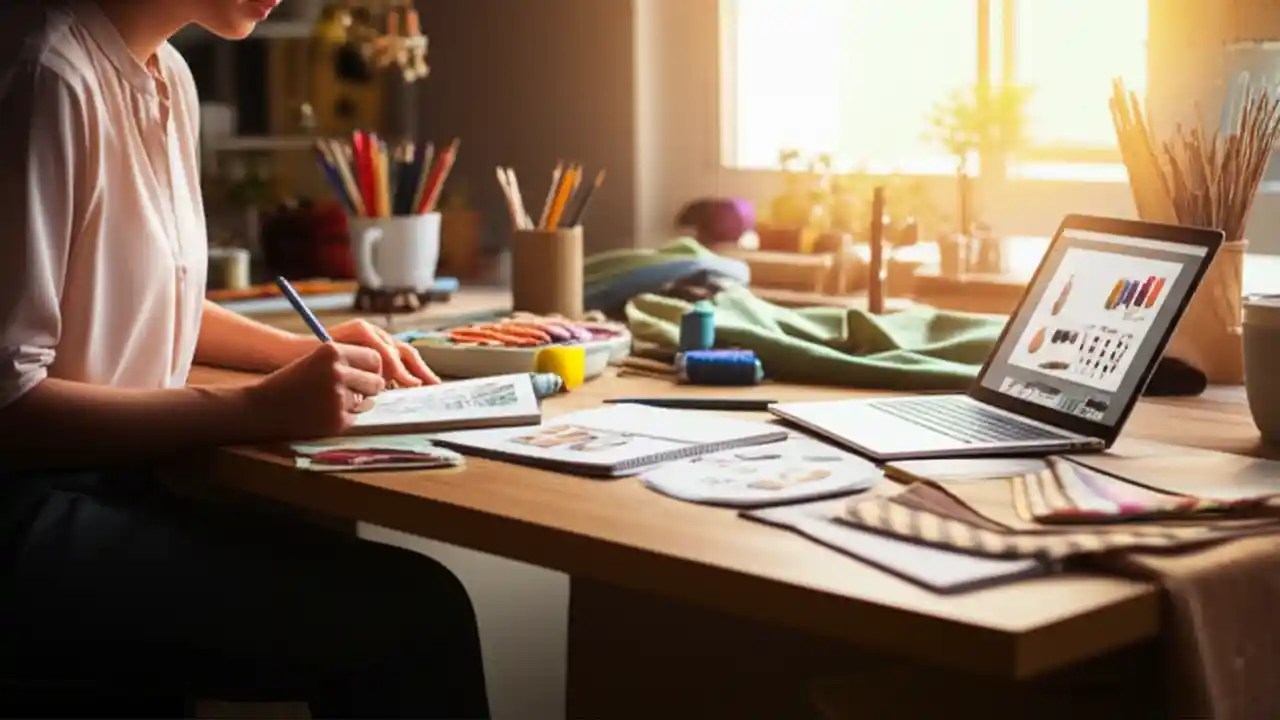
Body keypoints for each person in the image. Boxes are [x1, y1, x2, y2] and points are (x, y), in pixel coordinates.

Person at [0, 0, 489, 716]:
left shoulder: (169, 76)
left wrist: (305, 350)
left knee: (409, 606)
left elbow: (143, 293)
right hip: (28, 510)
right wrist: (255, 407)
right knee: (419, 620)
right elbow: (11, 404)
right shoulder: (47, 79)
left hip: (123, 483)